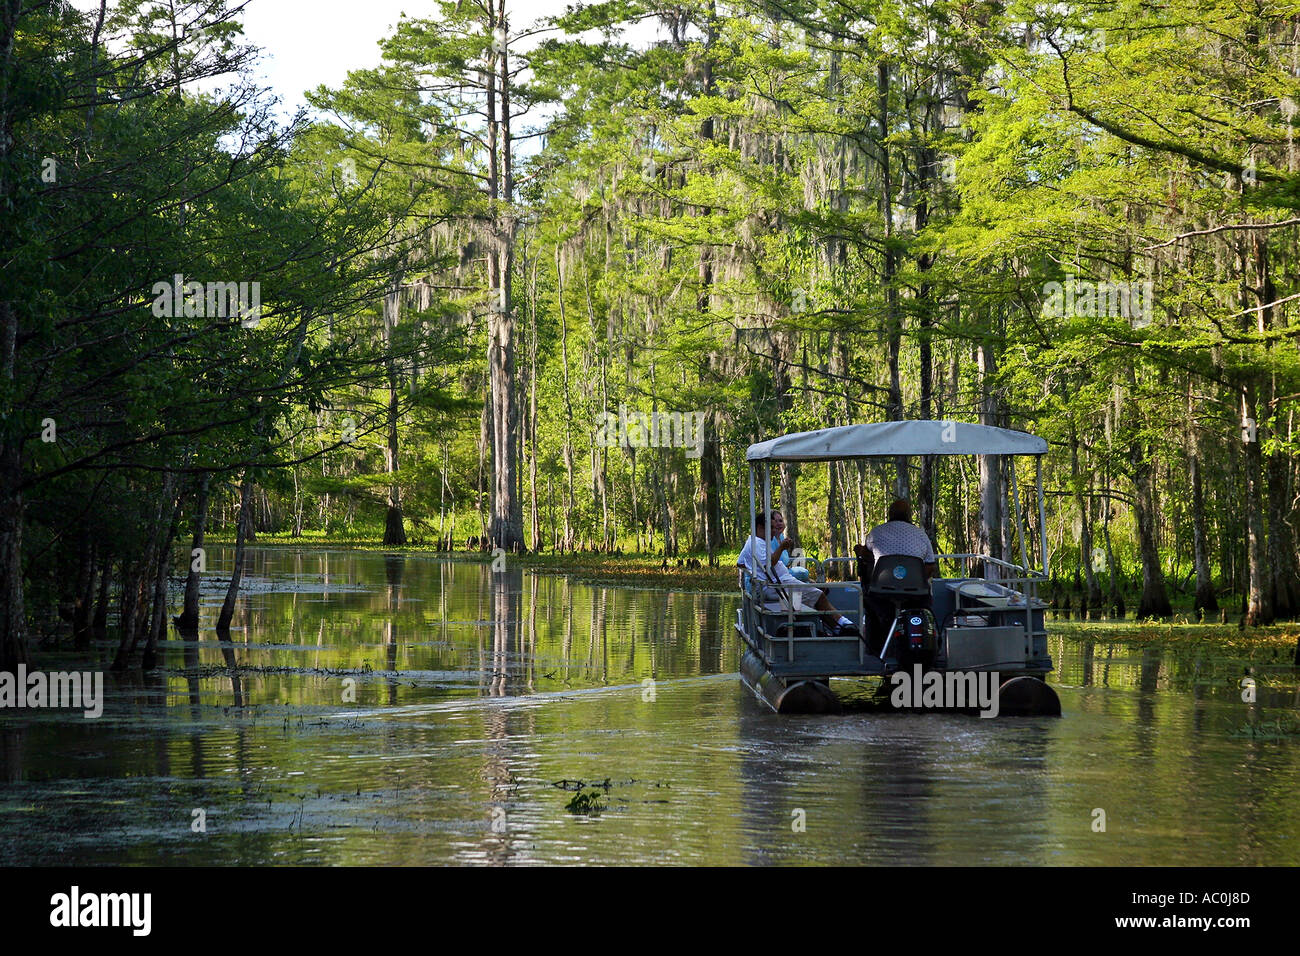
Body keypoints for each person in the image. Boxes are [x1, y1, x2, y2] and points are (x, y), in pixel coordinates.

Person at [739, 512, 855, 635]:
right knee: (819, 595)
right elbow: (769, 564)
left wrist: (752, 569)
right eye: (771, 528)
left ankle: (836, 628)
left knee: (814, 597)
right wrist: (781, 548)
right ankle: (845, 623)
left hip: (780, 583)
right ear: (760, 527)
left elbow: (740, 562)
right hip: (779, 586)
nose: (774, 531)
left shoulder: (754, 541)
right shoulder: (756, 543)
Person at [856, 499, 938, 650]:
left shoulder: (875, 532)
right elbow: (930, 565)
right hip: (915, 593)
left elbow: (867, 557)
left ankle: (875, 646)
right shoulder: (921, 535)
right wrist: (914, 581)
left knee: (869, 600)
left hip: (882, 592)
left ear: (889, 514)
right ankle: (930, 642)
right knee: (924, 601)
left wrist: (860, 550)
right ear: (909, 515)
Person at [767, 509, 810, 582]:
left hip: (783, 572)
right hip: (775, 575)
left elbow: (785, 562)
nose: (779, 524)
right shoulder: (769, 539)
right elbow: (772, 562)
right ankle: (817, 588)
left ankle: (817, 588)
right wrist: (781, 548)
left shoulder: (781, 537)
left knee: (804, 575)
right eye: (775, 522)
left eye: (780, 521)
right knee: (803, 574)